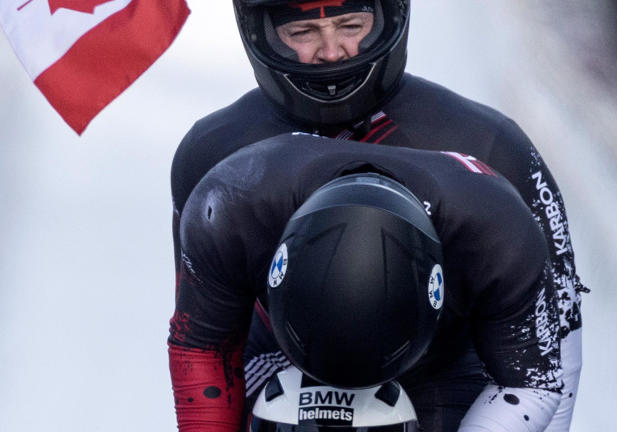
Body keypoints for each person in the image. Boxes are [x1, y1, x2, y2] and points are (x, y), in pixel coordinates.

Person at [170, 0, 586, 429]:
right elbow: (203, 339)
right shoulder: (218, 167)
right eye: (303, 33)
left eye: (351, 25)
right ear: (261, 33)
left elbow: (546, 364)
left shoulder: (494, 156)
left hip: (441, 368)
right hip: (283, 355)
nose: (332, 52)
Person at [169, 133, 567, 431]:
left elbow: (532, 382)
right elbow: (202, 345)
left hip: (441, 358)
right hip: (276, 344)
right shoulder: (230, 204)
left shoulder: (500, 236)